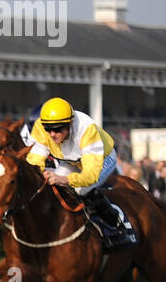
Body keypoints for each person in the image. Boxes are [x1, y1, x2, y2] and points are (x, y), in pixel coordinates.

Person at [25, 97, 130, 249]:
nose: (52, 134)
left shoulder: (86, 130)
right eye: (48, 129)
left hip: (102, 159)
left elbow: (90, 174)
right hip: (72, 160)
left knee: (82, 189)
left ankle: (117, 227)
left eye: (58, 129)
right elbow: (34, 160)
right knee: (54, 188)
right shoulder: (41, 128)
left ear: (70, 124)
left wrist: (65, 180)